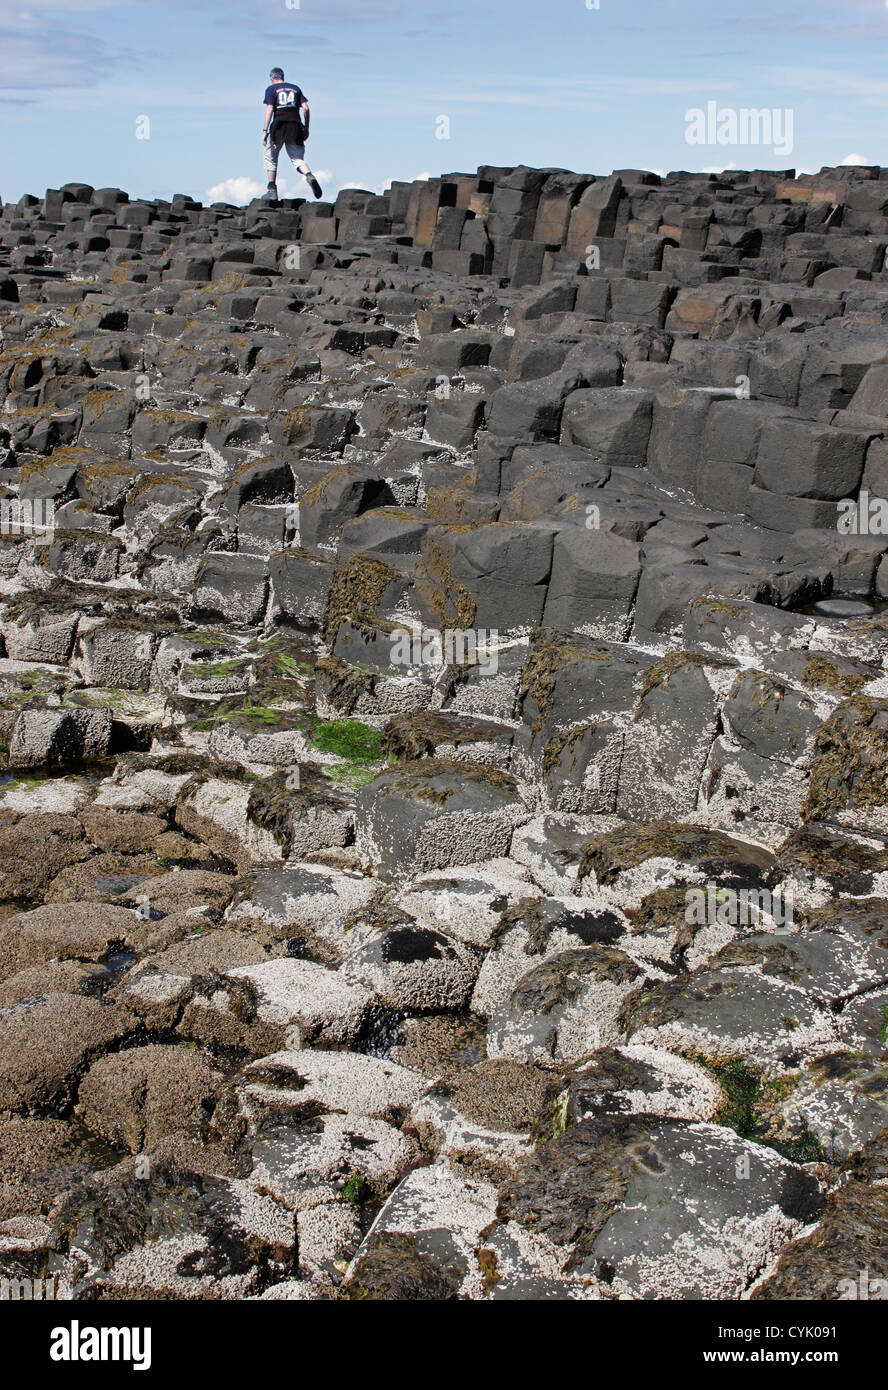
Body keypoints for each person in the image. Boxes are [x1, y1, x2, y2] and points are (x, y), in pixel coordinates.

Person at [262, 67, 323, 200]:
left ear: (272, 78)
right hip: (295, 126)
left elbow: (270, 108)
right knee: (297, 159)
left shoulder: (271, 89)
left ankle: (272, 189)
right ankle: (309, 175)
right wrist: (306, 127)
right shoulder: (296, 88)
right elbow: (306, 108)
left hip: (279, 125)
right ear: (282, 76)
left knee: (270, 156)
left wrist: (265, 130)